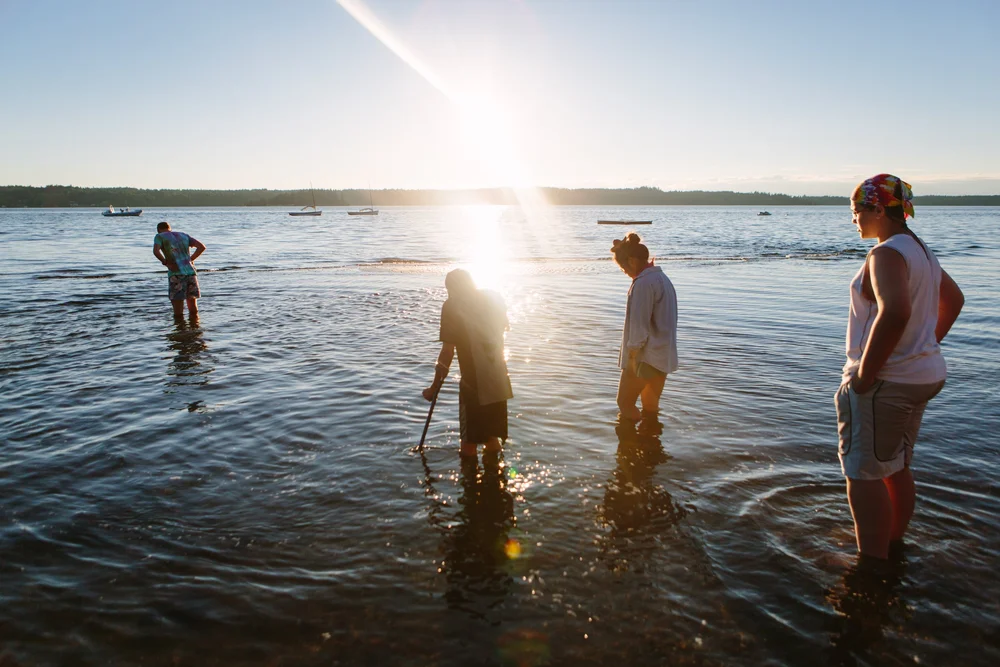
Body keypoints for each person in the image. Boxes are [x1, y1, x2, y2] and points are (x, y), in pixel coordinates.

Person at [836, 174, 964, 559]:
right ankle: (893, 542)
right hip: (922, 376)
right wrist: (924, 347)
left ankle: (870, 568)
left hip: (886, 383)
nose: (854, 219)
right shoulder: (920, 250)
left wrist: (864, 377)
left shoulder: (886, 253)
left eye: (857, 210)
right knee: (895, 466)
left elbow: (894, 314)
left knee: (863, 474)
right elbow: (953, 301)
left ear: (878, 209)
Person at [424, 269, 513, 459]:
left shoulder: (452, 306)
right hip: (499, 378)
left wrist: (433, 388)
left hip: (474, 382)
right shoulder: (493, 298)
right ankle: (495, 482)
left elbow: (447, 353)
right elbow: (504, 329)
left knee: (468, 444)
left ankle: (471, 485)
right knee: (491, 439)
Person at [611, 233, 678, 426]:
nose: (624, 272)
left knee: (624, 403)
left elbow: (639, 326)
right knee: (650, 406)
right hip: (663, 355)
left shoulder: (642, 283)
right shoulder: (662, 278)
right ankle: (651, 449)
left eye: (623, 267)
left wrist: (632, 357)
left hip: (644, 357)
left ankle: (628, 450)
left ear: (632, 261)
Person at [153, 221, 206, 319]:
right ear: (170, 229)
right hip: (190, 272)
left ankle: (180, 330)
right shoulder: (183, 235)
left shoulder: (159, 236)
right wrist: (190, 260)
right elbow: (201, 247)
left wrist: (165, 262)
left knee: (178, 307)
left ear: (158, 230)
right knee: (192, 305)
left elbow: (156, 251)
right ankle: (194, 328)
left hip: (176, 273)